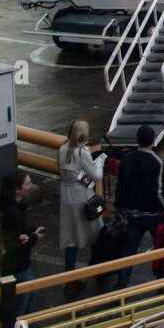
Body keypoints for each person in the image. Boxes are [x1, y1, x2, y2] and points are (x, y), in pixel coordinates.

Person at [116, 125, 164, 287]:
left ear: (137, 140)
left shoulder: (127, 159)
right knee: (161, 250)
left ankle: (121, 285)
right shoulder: (157, 162)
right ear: (153, 140)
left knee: (128, 252)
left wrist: (121, 207)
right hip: (153, 215)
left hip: (133, 214)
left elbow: (121, 185)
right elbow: (157, 192)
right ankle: (162, 281)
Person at [58, 119, 105, 292]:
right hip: (82, 196)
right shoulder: (82, 152)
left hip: (66, 196)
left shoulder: (62, 149)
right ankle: (100, 269)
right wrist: (100, 163)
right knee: (95, 234)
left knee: (71, 240)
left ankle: (69, 279)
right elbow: (96, 176)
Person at [0, 171, 43, 316]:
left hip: (10, 264)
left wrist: (30, 230)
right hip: (19, 266)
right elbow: (17, 243)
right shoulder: (14, 213)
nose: (31, 186)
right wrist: (34, 237)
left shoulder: (5, 205)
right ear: (17, 189)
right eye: (27, 184)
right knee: (23, 300)